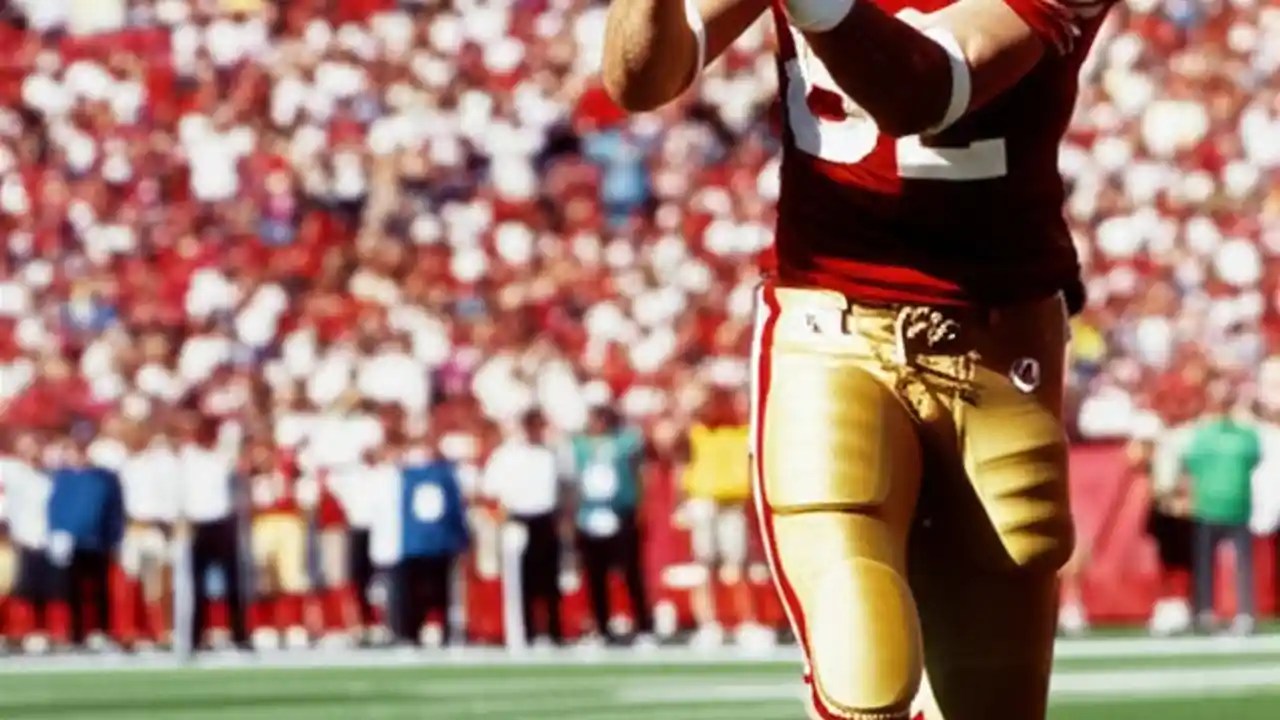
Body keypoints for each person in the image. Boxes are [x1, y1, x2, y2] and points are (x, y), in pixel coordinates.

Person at [602, 0, 1115, 715]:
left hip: (1003, 346)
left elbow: (926, 91)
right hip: (831, 330)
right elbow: (642, 80)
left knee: (992, 701)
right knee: (862, 672)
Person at [676, 387, 767, 649]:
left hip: (733, 502)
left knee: (738, 565)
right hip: (704, 500)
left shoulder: (741, 431)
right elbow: (670, 441)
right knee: (706, 565)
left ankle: (747, 622)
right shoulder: (697, 431)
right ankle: (708, 623)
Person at [566, 406, 654, 647]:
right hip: (589, 515)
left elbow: (640, 465)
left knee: (631, 572)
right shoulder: (579, 446)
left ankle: (644, 625)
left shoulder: (625, 442)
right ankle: (602, 626)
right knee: (595, 575)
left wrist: (637, 505)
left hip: (620, 512)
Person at [371, 434, 470, 647]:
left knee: (434, 591)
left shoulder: (437, 475)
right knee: (412, 591)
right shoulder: (400, 476)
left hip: (422, 542)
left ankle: (429, 629)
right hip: (412, 543)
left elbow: (453, 507)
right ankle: (410, 630)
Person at [1182, 381, 1262, 636]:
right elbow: (1191, 465)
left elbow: (1254, 458)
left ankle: (1244, 613)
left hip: (1236, 506)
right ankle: (1205, 612)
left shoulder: (1244, 434)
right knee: (1205, 565)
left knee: (1242, 566)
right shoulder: (1203, 434)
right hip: (1209, 506)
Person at [482, 410, 566, 648]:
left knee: (550, 581)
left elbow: (565, 487)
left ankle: (554, 632)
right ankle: (524, 632)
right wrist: (501, 520)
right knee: (521, 581)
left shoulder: (552, 453)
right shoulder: (506, 455)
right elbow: (489, 492)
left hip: (545, 519)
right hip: (517, 520)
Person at [177, 416, 250, 652]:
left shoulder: (222, 457)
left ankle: (239, 635)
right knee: (196, 585)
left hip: (222, 522)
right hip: (198, 524)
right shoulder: (188, 457)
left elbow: (235, 435)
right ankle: (197, 637)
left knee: (233, 583)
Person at [47, 433, 125, 651]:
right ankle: (77, 633)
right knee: (73, 590)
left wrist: (115, 538)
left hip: (97, 541)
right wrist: (56, 532)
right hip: (72, 542)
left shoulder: (104, 478)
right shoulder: (63, 477)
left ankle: (101, 631)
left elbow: (114, 510)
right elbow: (56, 507)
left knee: (100, 590)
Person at [118, 427, 182, 649]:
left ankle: (160, 631)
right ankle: (130, 632)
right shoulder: (129, 466)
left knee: (156, 584)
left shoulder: (162, 466)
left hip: (155, 528)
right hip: (133, 528)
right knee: (130, 582)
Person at [246, 438, 311, 650]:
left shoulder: (285, 468)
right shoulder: (250, 473)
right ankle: (265, 626)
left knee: (291, 575)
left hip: (287, 520)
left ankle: (294, 625)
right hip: (262, 522)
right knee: (263, 577)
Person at [0, 433, 53, 654]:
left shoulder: (45, 478)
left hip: (42, 538)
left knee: (37, 589)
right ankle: (14, 634)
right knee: (14, 588)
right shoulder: (11, 470)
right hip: (17, 538)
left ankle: (34, 633)